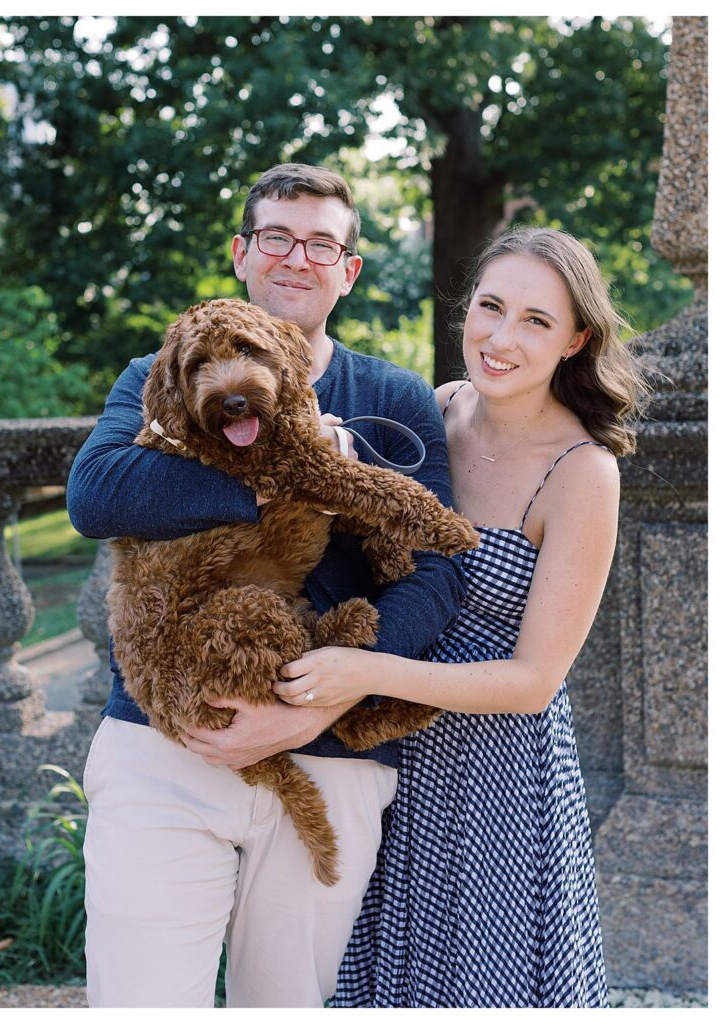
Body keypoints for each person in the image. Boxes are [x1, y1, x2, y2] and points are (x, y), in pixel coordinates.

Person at [66, 163, 464, 1007]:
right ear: (242, 253)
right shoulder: (157, 372)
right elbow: (95, 494)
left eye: (322, 244)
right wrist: (293, 478)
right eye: (277, 236)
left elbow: (434, 575)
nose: (296, 257)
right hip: (164, 743)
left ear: (348, 271)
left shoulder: (393, 397)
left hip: (331, 754)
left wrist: (328, 696)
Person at [281, 228, 641, 1007]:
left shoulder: (583, 471)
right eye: (491, 307)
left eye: (536, 321)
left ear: (576, 340)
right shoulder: (435, 409)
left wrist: (366, 670)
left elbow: (534, 681)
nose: (501, 338)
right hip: (389, 753)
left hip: (498, 775)